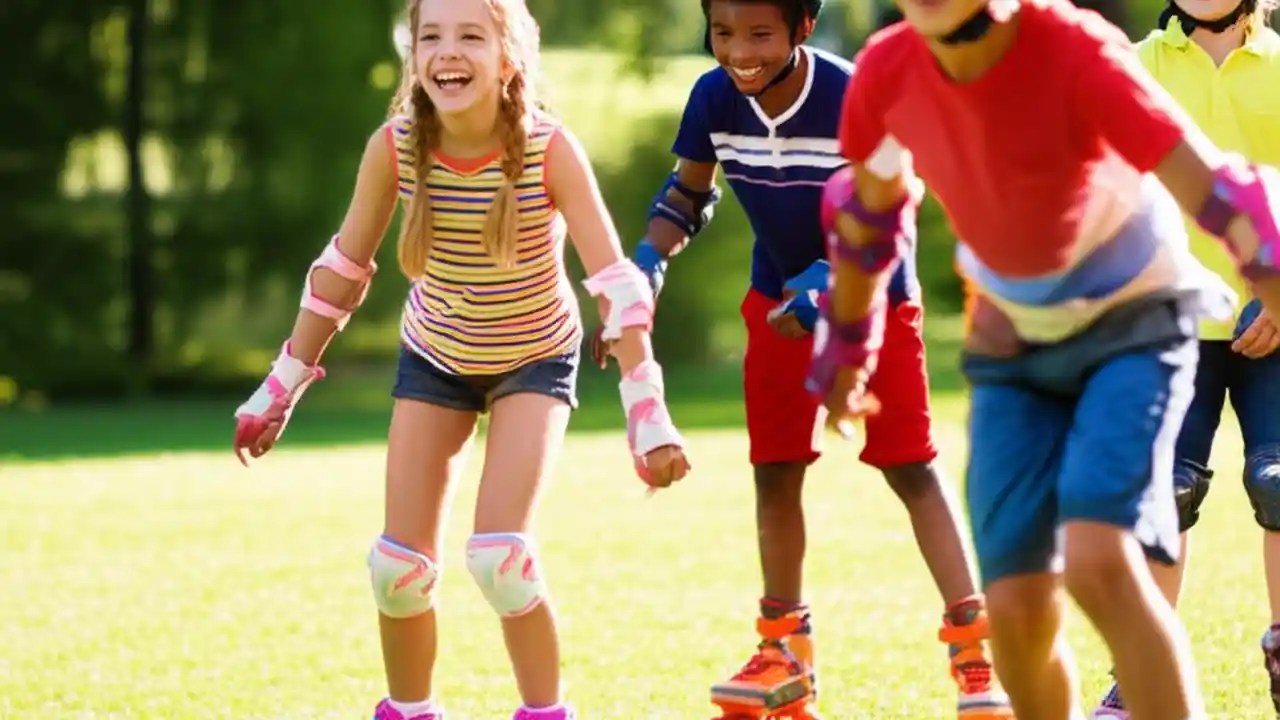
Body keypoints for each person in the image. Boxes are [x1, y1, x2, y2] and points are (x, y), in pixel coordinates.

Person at [808, 0, 1280, 716]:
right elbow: (868, 219)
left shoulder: (1075, 48)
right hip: (1011, 351)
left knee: (1099, 557)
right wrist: (846, 353)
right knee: (1017, 612)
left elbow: (1217, 192)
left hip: (1134, 323)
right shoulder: (888, 70)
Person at [231, 1, 691, 718]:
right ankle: (410, 711)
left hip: (534, 357)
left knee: (500, 558)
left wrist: (647, 409)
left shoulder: (549, 149)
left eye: (471, 35)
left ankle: (545, 712)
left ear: (510, 57)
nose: (449, 51)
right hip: (436, 354)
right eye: (431, 36)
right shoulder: (396, 147)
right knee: (397, 570)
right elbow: (342, 272)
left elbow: (616, 287)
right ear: (412, 54)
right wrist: (281, 385)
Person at [593, 1, 1010, 717]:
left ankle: (976, 655)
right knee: (776, 472)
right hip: (774, 308)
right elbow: (689, 194)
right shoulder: (714, 97)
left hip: (878, 301)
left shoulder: (854, 95)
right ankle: (783, 653)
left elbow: (885, 215)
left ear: (802, 29)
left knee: (911, 466)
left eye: (759, 34)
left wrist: (827, 287)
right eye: (723, 34)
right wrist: (643, 265)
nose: (738, 52)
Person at [1092, 0, 1280, 717]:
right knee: (1164, 492)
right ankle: (1140, 677)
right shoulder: (1136, 63)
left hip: (1277, 318)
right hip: (1172, 320)